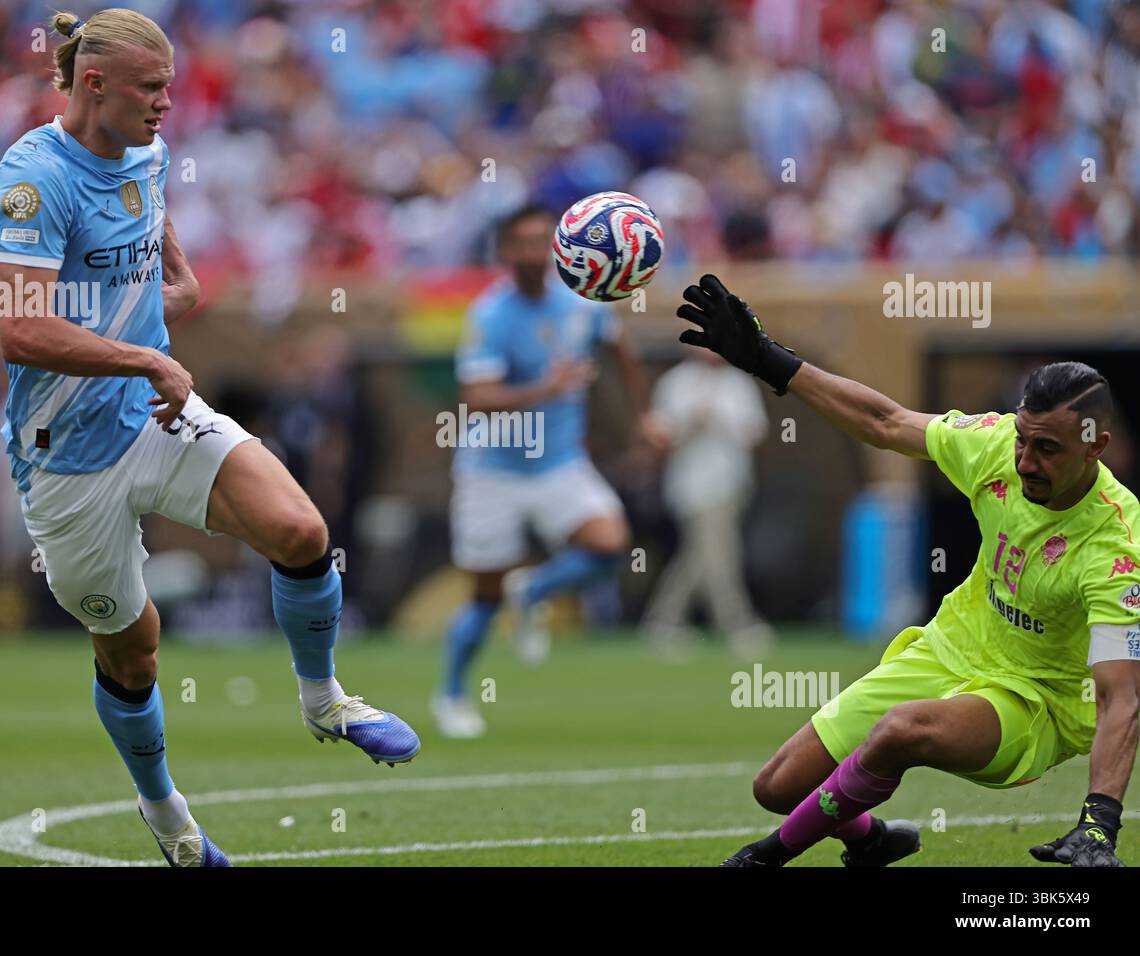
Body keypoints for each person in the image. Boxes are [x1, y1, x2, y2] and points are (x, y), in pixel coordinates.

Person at [0, 9, 417, 868]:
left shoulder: (146, 151)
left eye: (169, 87)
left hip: (152, 415)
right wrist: (144, 350)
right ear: (95, 85)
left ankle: (325, 698)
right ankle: (167, 814)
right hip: (65, 461)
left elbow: (161, 258)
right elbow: (19, 331)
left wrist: (168, 298)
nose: (168, 104)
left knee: (300, 531)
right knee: (134, 651)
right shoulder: (32, 178)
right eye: (152, 88)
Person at [677, 274, 1139, 867]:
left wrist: (1099, 823)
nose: (1025, 460)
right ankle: (871, 840)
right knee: (778, 786)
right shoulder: (996, 445)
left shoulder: (1117, 549)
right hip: (950, 650)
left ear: (1094, 447)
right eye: (1023, 439)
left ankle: (764, 858)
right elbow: (885, 421)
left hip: (1034, 702)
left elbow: (1120, 696)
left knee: (901, 731)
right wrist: (767, 360)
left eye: (1047, 448)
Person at [431, 204, 657, 739]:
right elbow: (477, 398)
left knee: (608, 544)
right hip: (494, 467)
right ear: (506, 252)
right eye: (523, 243)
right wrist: (545, 390)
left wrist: (645, 419)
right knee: (483, 597)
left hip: (559, 462)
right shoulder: (490, 315)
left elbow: (621, 350)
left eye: (542, 241)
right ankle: (454, 693)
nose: (534, 253)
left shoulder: (582, 300)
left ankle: (532, 591)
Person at [642, 345, 773, 656]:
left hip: (729, 481)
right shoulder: (675, 383)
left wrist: (720, 421)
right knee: (717, 555)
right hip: (690, 485)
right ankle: (737, 624)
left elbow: (754, 432)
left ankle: (663, 621)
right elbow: (660, 437)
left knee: (701, 555)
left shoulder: (738, 383)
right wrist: (689, 426)